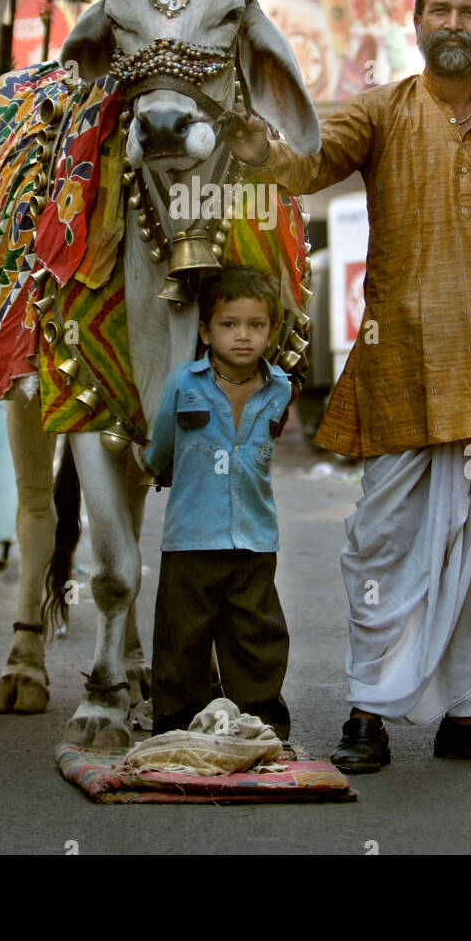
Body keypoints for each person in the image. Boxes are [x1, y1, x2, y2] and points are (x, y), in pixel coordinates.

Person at [221, 0, 471, 772]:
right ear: (419, 24)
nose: (453, 26)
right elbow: (311, 162)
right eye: (440, 11)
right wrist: (263, 146)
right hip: (404, 365)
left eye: (470, 14)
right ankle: (368, 710)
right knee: (385, 540)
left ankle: (467, 716)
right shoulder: (382, 110)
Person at [142, 266, 293, 740]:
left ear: (272, 330)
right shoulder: (183, 384)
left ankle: (263, 728)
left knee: (257, 638)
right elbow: (159, 448)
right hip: (191, 537)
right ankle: (173, 730)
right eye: (229, 325)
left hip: (254, 538)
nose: (243, 336)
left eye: (256, 325)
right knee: (182, 639)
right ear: (206, 331)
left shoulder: (281, 388)